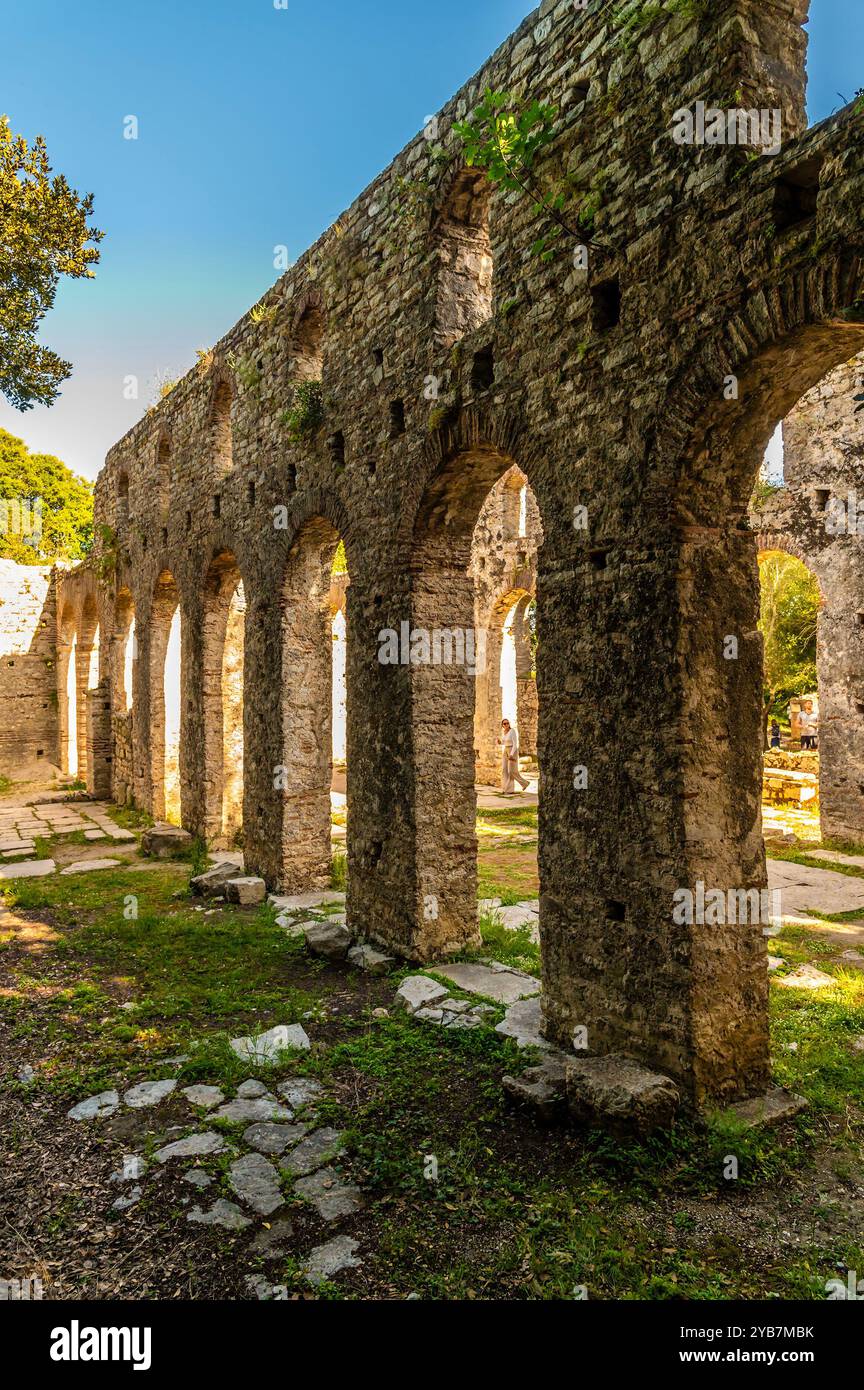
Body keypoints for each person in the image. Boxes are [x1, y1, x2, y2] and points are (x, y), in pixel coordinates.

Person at [500, 719, 530, 795]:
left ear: (509, 724)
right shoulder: (504, 732)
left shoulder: (512, 731)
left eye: (507, 723)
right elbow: (504, 742)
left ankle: (524, 783)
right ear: (502, 725)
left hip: (512, 751)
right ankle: (506, 789)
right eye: (504, 724)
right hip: (505, 751)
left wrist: (511, 754)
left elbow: (515, 744)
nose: (506, 724)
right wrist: (500, 742)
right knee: (504, 770)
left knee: (511, 771)